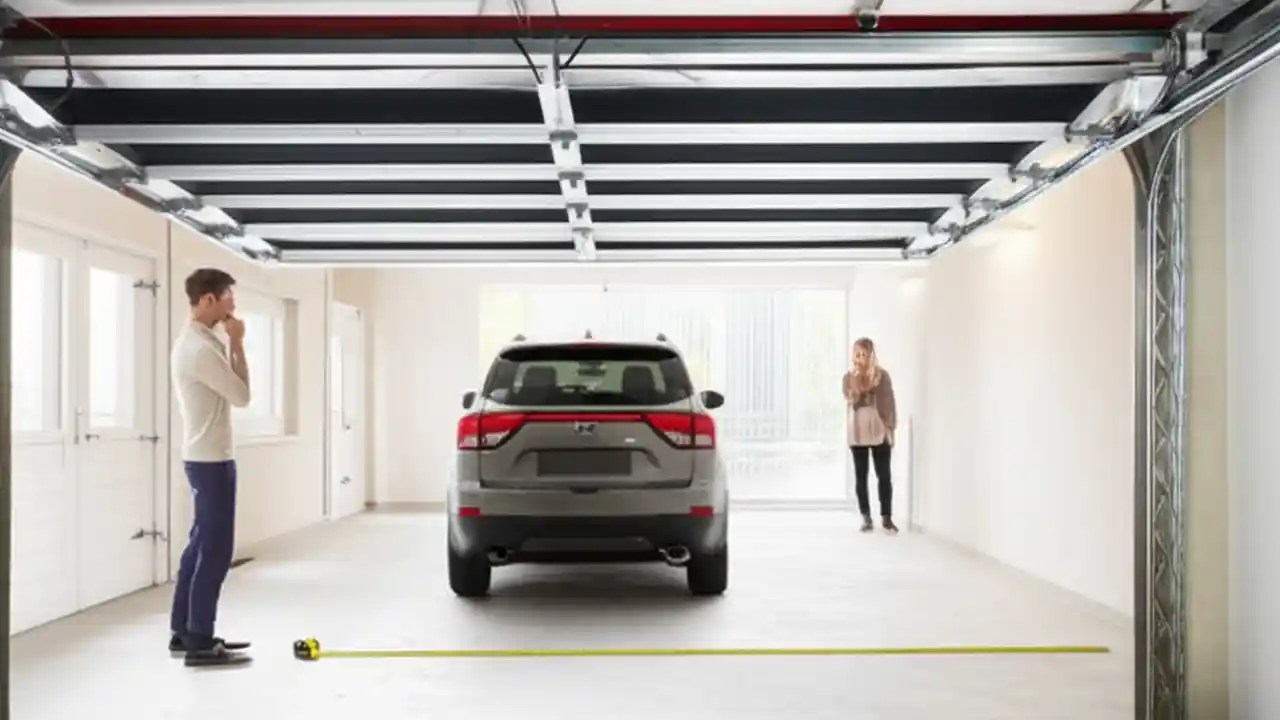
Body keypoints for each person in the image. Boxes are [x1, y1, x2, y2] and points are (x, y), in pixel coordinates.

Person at [169, 268, 254, 667]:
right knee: (216, 551)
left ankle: (183, 632)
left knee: (200, 544)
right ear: (207, 300)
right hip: (210, 461)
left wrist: (229, 340)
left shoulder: (203, 340)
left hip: (207, 457)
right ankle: (200, 641)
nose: (232, 306)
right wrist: (238, 344)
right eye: (227, 299)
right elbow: (241, 395)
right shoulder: (201, 349)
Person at [842, 337, 898, 535]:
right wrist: (860, 387)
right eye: (857, 354)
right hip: (857, 431)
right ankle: (865, 516)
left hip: (879, 428)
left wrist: (890, 428)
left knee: (884, 475)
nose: (860, 357)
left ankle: (887, 518)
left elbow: (889, 403)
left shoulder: (882, 376)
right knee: (861, 475)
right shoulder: (848, 377)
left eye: (864, 354)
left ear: (871, 354)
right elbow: (851, 398)